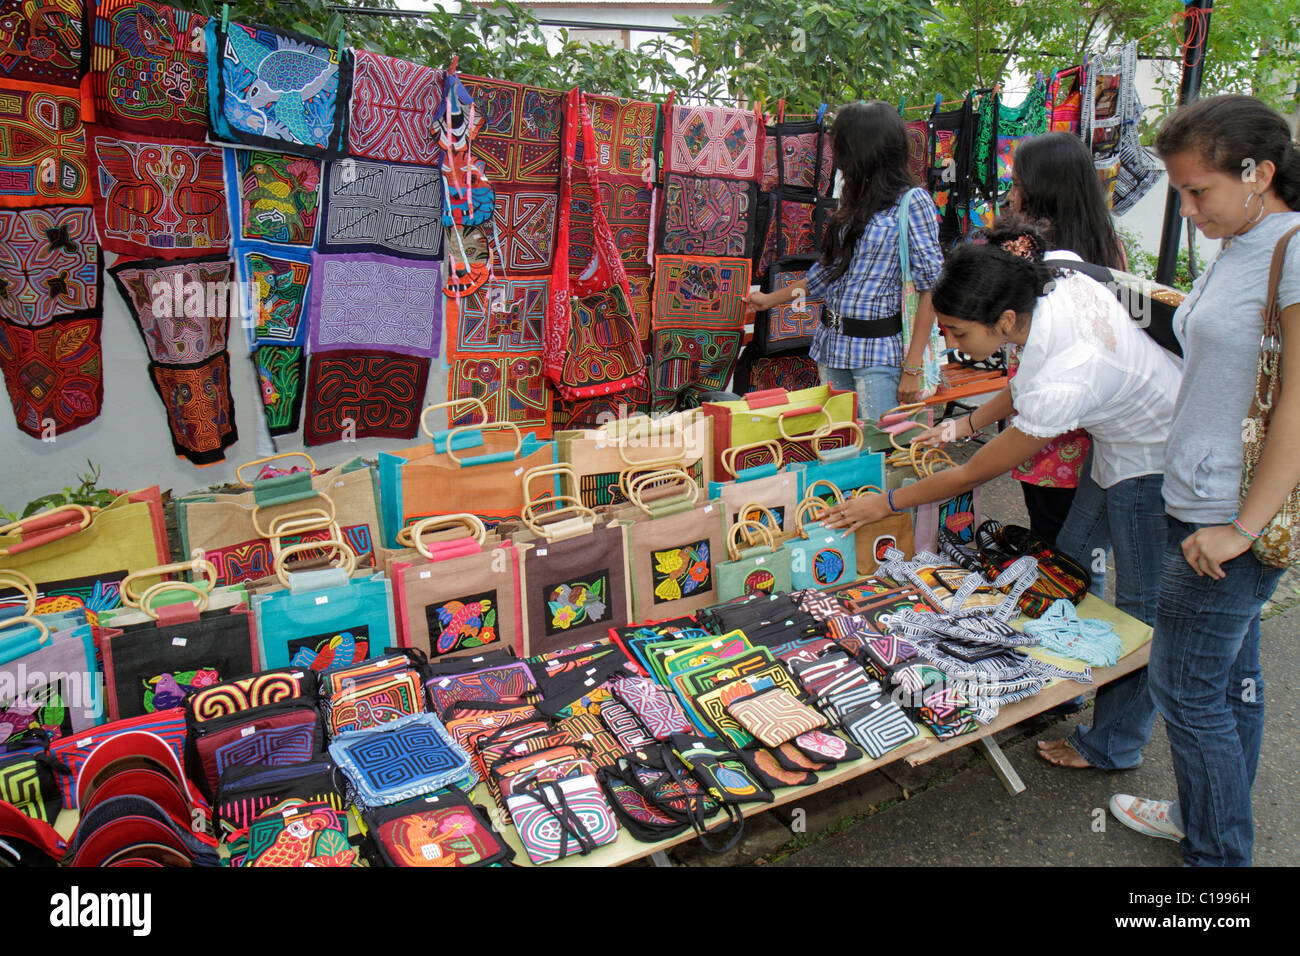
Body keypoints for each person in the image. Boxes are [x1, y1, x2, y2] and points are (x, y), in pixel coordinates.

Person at [821, 226, 1181, 713]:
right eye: (946, 328)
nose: (950, 342)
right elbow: (1029, 377)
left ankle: (1117, 741)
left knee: (1140, 610)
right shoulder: (1049, 281)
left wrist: (882, 504)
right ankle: (1066, 684)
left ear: (1005, 319)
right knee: (1069, 562)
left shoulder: (1066, 375)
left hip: (1154, 455)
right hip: (1122, 434)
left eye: (959, 332)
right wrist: (963, 424)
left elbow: (972, 474)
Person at [1110, 95, 1300, 866]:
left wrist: (1243, 528)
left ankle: (1218, 861)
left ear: (1258, 174)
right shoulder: (1243, 240)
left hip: (1227, 519)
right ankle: (1205, 818)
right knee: (1226, 685)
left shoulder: (1290, 249)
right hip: (1198, 499)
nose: (1187, 210)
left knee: (1186, 693)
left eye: (1198, 192)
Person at [746, 100, 944, 417]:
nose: (836, 157)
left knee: (877, 449)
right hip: (833, 347)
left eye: (841, 147)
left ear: (865, 149)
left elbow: (931, 287)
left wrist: (913, 365)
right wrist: (770, 300)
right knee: (842, 443)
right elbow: (825, 274)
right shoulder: (855, 198)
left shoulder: (912, 201)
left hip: (878, 355)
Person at [1003, 131, 1127, 548]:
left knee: (1056, 546)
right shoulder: (1108, 250)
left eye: (1018, 184)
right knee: (1082, 548)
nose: (1011, 195)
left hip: (1047, 432)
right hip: (1093, 436)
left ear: (1043, 191)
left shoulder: (1033, 258)